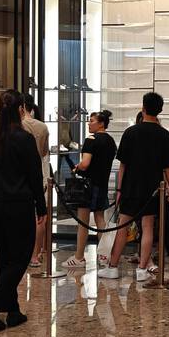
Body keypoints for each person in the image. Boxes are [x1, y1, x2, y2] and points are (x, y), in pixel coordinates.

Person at [0, 90, 46, 330]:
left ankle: (13, 310)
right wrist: (41, 205)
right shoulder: (23, 138)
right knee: (20, 257)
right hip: (17, 204)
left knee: (4, 256)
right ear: (20, 110)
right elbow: (34, 175)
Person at [98, 92, 169, 282]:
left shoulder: (131, 132)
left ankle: (113, 267)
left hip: (131, 187)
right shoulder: (164, 134)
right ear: (160, 110)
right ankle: (142, 268)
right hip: (153, 189)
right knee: (148, 226)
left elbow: (122, 166)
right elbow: (168, 168)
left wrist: (118, 190)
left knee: (123, 226)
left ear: (143, 108)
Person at [64, 110, 115, 269]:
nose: (89, 123)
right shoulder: (111, 141)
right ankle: (104, 256)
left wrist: (77, 167)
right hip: (102, 183)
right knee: (100, 219)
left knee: (83, 221)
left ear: (101, 123)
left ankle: (79, 257)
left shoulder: (91, 139)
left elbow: (85, 163)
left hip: (88, 185)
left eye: (92, 121)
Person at [22, 98, 51, 267]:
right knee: (39, 216)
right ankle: (35, 254)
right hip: (39, 170)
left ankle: (23, 252)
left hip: (21, 174)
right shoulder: (42, 126)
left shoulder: (18, 126)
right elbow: (45, 151)